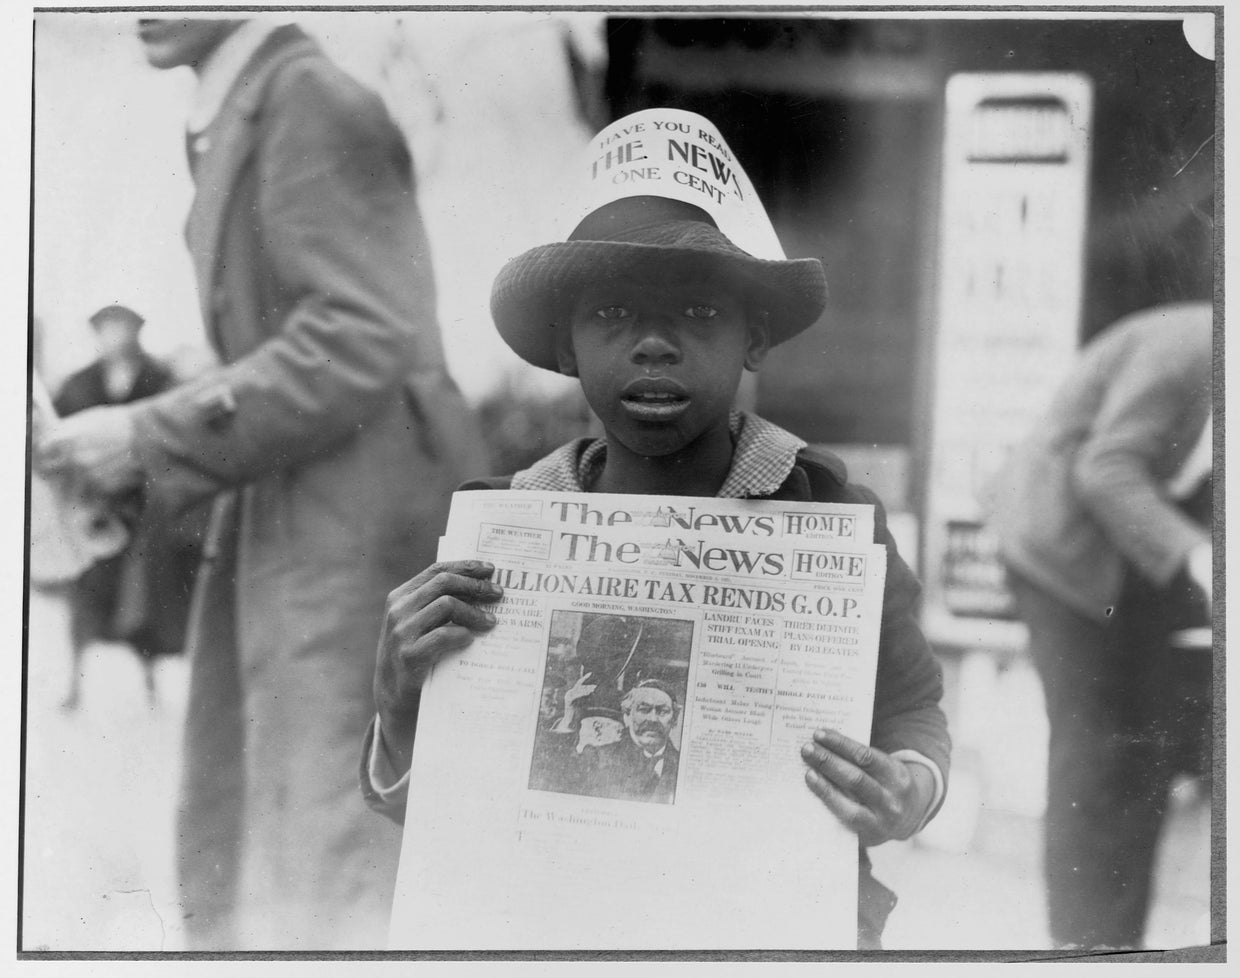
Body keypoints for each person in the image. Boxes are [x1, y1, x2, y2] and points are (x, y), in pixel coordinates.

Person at [361, 108, 950, 948]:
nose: (654, 346)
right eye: (612, 316)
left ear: (757, 337)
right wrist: (398, 706)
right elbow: (435, 813)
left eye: (700, 315)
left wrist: (909, 790)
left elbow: (914, 708)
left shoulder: (831, 516)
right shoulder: (503, 527)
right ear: (566, 348)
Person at [38, 17, 482, 950]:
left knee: (325, 833)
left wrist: (147, 432)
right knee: (275, 823)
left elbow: (363, 336)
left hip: (352, 522)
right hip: (307, 503)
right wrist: (131, 450)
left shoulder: (306, 98)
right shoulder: (251, 102)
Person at [985, 301, 1212, 950]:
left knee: (1150, 751)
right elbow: (1105, 468)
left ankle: (1123, 946)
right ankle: (1080, 947)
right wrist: (1198, 557)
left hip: (1134, 560)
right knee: (1094, 747)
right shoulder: (1187, 351)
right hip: (1061, 552)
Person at [52, 304, 203, 710]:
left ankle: (150, 683)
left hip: (145, 510)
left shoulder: (160, 379)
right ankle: (74, 685)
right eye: (105, 328)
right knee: (86, 595)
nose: (114, 336)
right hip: (92, 510)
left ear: (137, 332)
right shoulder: (76, 385)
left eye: (122, 327)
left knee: (144, 596)